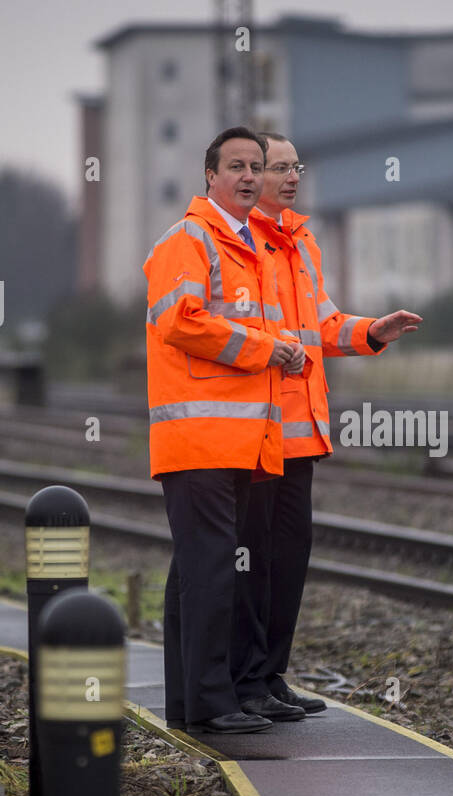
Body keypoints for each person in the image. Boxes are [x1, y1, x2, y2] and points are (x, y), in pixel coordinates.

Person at [231, 132, 422, 716]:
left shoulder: (301, 241)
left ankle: (269, 675)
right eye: (280, 168)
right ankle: (244, 682)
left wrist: (369, 332)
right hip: (257, 433)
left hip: (301, 433)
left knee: (289, 557)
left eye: (297, 167)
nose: (293, 177)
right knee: (253, 559)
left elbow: (321, 323)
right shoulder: (243, 242)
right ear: (252, 176)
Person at [144, 126, 312, 734]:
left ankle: (198, 703)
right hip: (198, 439)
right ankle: (211, 704)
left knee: (212, 572)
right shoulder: (188, 240)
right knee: (212, 572)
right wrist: (268, 349)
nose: (249, 176)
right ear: (209, 175)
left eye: (255, 165)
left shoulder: (250, 249)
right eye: (236, 165)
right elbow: (179, 322)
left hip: (243, 441)